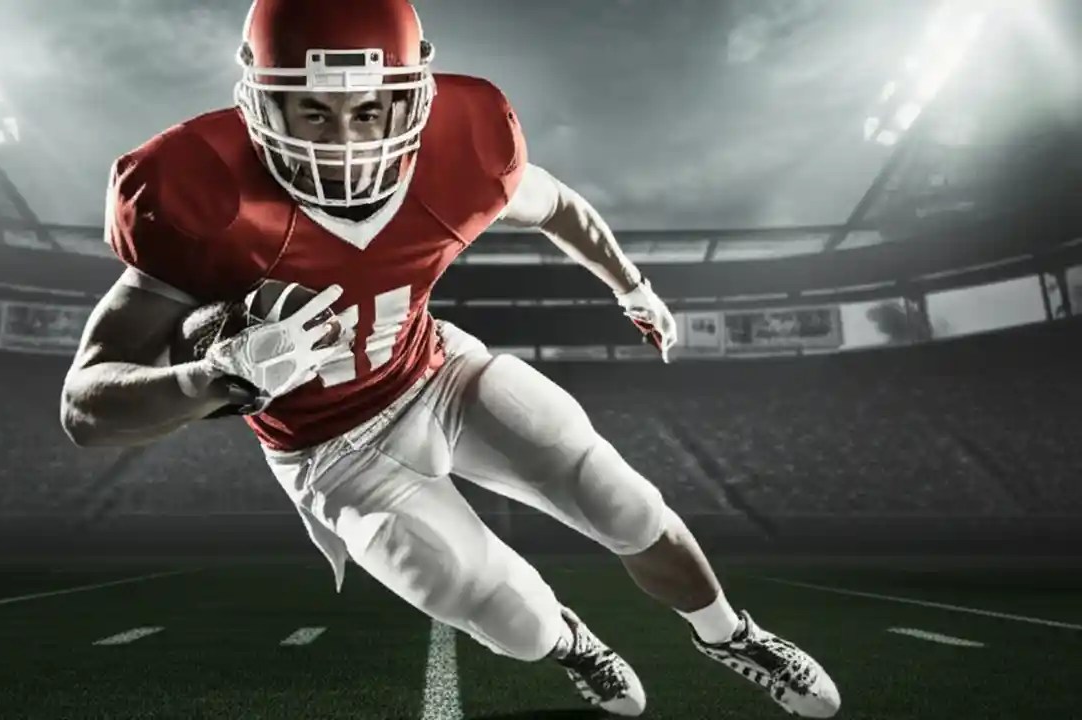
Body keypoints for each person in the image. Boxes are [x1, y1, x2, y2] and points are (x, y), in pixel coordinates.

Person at [60, 0, 840, 716]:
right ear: (261, 100)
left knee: (621, 499)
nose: (344, 140)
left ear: (412, 98)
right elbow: (86, 403)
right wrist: (213, 378)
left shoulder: (459, 154)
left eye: (369, 110)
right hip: (326, 451)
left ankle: (729, 633)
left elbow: (556, 205)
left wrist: (631, 286)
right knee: (510, 617)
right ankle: (572, 642)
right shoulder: (199, 195)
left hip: (435, 374)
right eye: (312, 110)